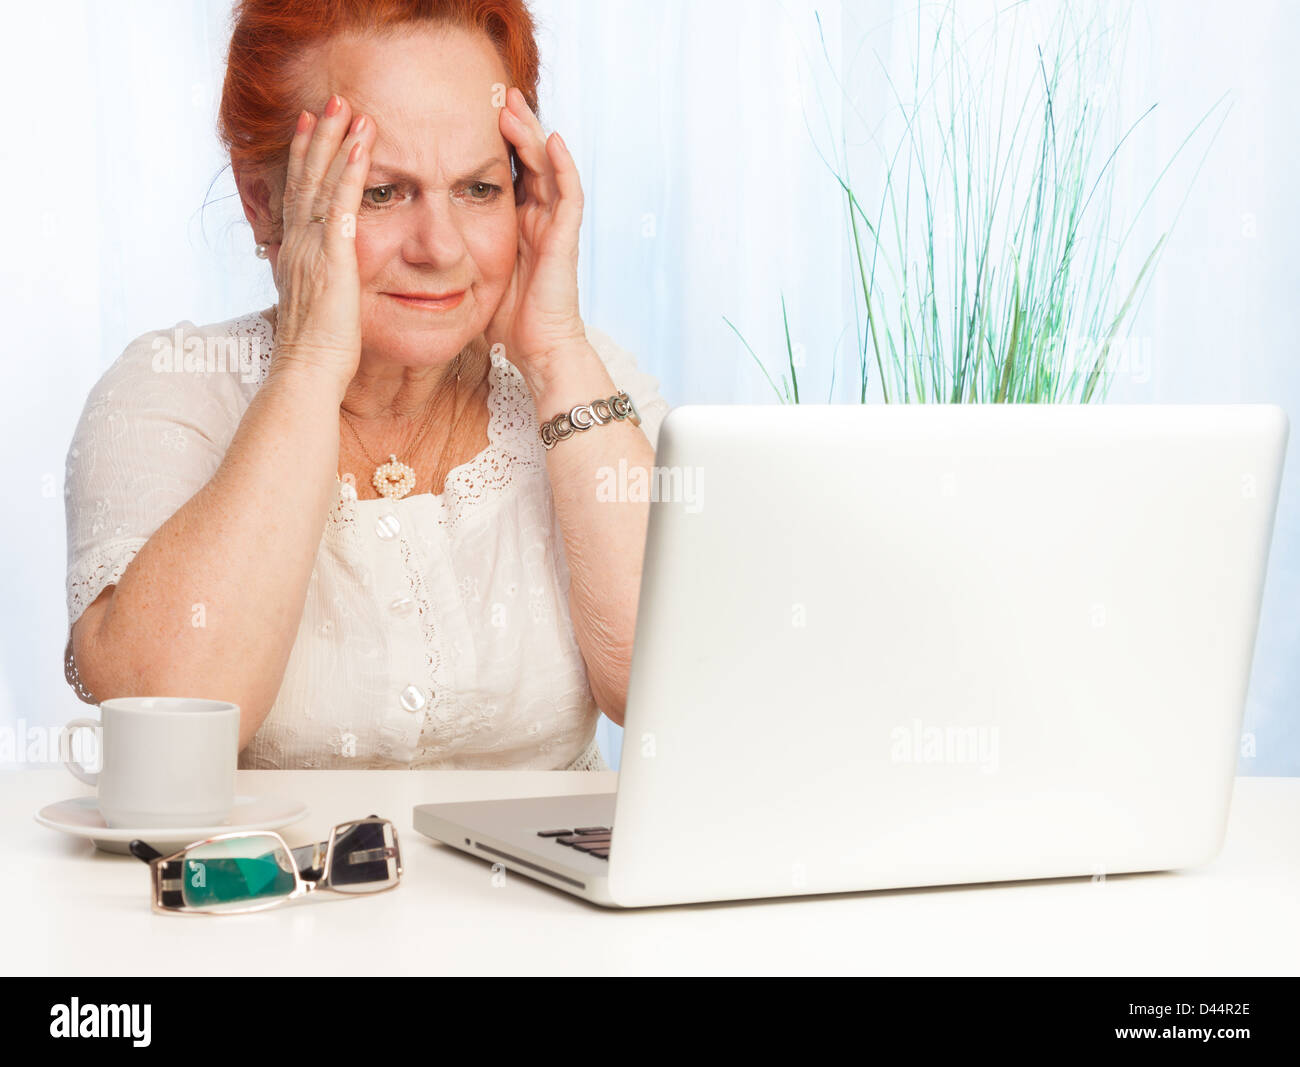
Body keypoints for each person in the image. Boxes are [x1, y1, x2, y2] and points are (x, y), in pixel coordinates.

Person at [62, 0, 669, 770]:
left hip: (542, 895)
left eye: (479, 189)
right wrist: (312, 361)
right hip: (276, 891)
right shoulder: (167, 396)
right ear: (263, 202)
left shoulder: (589, 383)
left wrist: (555, 354)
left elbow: (672, 694)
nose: (440, 247)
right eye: (381, 193)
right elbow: (170, 720)